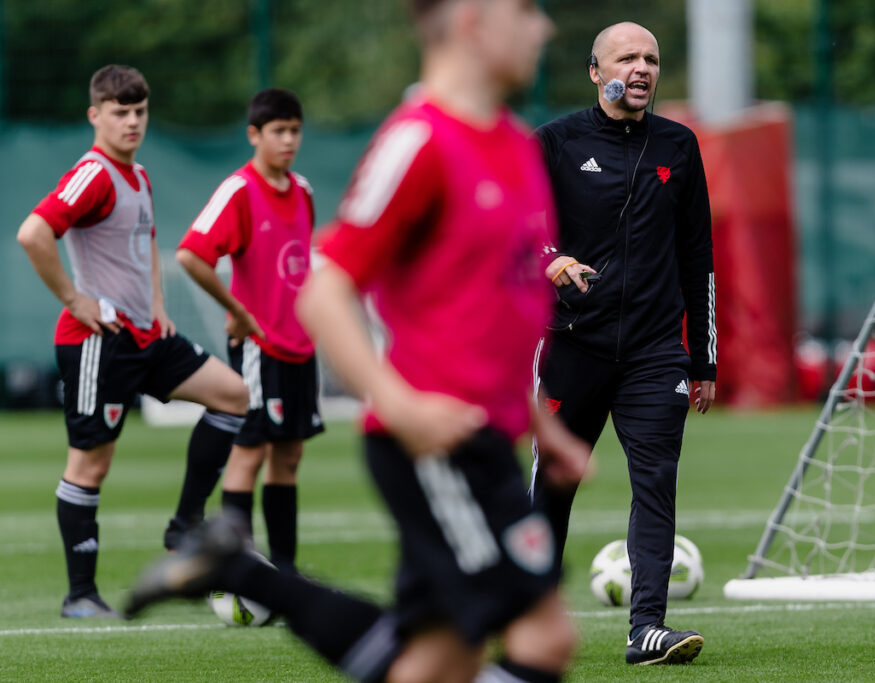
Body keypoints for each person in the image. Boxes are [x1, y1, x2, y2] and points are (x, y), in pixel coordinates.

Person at [126, 1, 589, 681]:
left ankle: (239, 569)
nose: (543, 26)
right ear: (470, 20)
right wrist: (400, 405)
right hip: (435, 441)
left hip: (489, 436)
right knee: (544, 636)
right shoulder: (418, 142)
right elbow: (325, 287)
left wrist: (543, 428)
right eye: (523, 9)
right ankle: (241, 568)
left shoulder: (518, 144)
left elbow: (501, 308)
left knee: (434, 662)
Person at [15, 64, 249, 618]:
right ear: (95, 115)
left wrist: (160, 307)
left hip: (148, 337)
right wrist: (75, 299)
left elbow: (144, 243)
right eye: (120, 113)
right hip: (100, 340)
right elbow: (34, 231)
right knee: (91, 464)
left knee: (234, 396)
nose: (132, 122)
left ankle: (185, 526)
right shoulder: (92, 174)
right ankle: (80, 596)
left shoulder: (139, 177)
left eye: (139, 111)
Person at [530, 22, 717, 665]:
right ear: (594, 70)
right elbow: (514, 228)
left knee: (656, 481)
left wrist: (705, 358)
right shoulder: (553, 143)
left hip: (656, 352)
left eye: (652, 59)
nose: (642, 68)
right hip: (572, 346)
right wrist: (552, 260)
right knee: (554, 482)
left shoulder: (679, 147)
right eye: (627, 57)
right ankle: (535, 615)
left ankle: (648, 629)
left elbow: (700, 259)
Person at [163, 89, 323, 575]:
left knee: (288, 457)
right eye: (278, 131)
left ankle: (286, 570)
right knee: (248, 455)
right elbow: (191, 253)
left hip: (301, 344)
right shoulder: (239, 190)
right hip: (261, 345)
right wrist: (235, 308)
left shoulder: (304, 191)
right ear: (254, 134)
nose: (288, 140)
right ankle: (239, 572)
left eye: (295, 130)